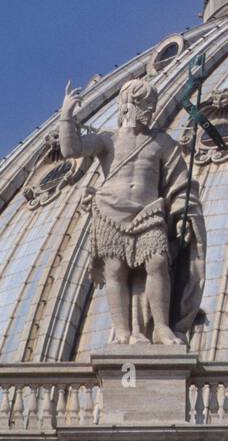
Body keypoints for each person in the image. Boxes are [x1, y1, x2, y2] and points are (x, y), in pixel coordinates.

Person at [58, 77, 205, 347]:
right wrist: (67, 116)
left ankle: (161, 328)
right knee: (115, 270)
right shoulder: (107, 140)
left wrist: (183, 207)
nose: (150, 109)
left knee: (158, 262)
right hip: (109, 210)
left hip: (148, 211)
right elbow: (71, 149)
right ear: (127, 105)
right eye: (144, 103)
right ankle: (123, 331)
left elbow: (180, 182)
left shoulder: (161, 143)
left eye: (152, 104)